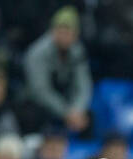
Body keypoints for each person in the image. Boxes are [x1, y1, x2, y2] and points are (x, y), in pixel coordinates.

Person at [21, 5, 92, 135]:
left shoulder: (78, 51)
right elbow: (40, 90)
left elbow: (84, 85)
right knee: (31, 113)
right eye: (61, 31)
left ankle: (87, 154)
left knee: (90, 116)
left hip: (65, 100)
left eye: (69, 32)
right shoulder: (37, 53)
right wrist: (66, 112)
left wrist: (77, 109)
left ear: (76, 35)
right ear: (52, 31)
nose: (64, 36)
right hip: (38, 102)